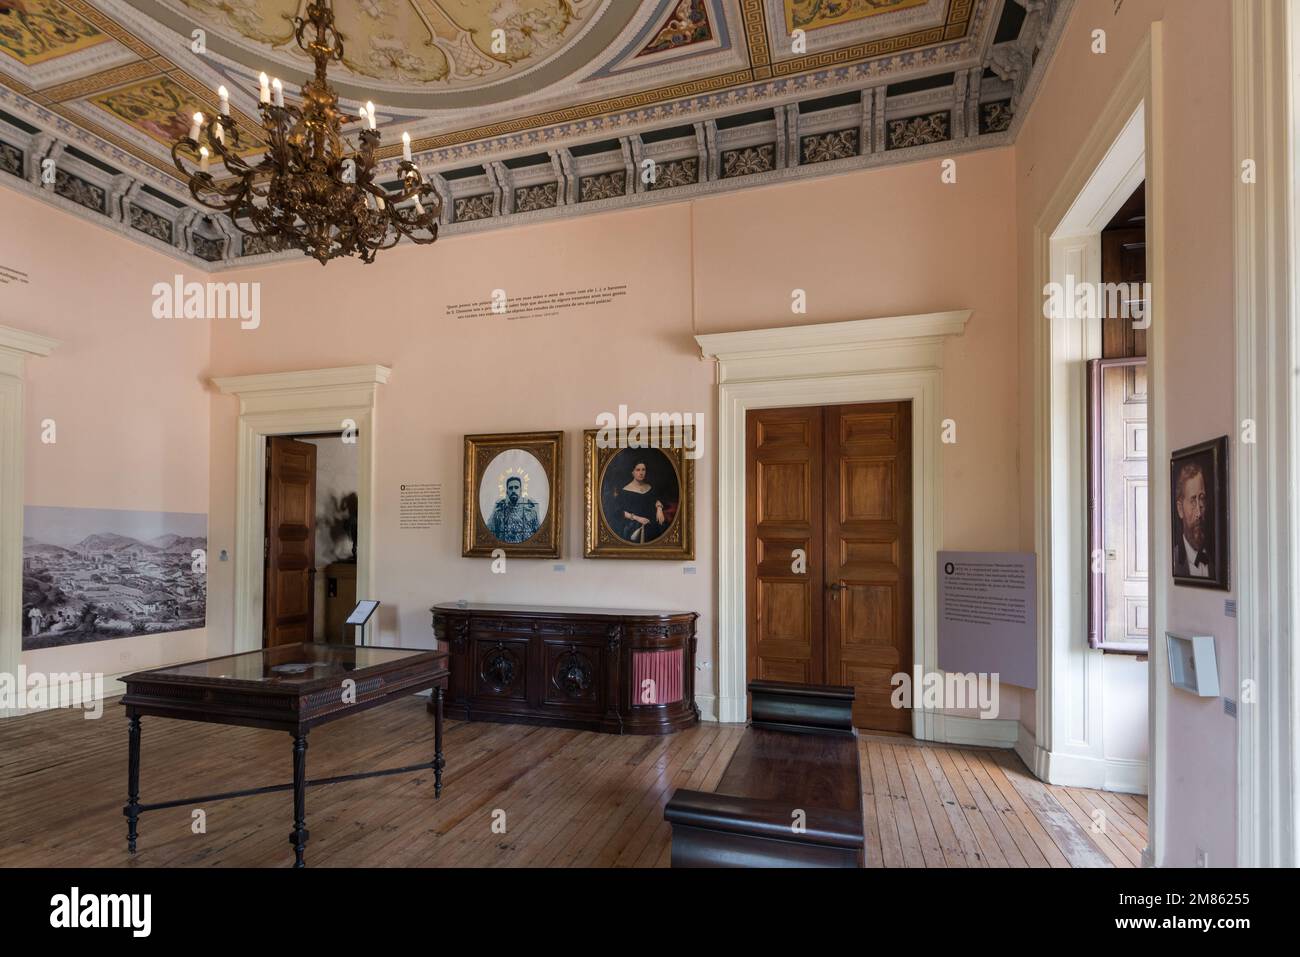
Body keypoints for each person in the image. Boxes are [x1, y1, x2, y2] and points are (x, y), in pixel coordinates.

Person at [1172, 461, 1213, 579]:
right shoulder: (1174, 559)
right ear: (1180, 509)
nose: (1199, 513)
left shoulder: (1215, 560)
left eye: (1202, 499)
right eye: (1193, 501)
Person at [612, 461, 668, 543]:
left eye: (643, 470)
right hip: (635, 526)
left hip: (653, 522)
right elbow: (618, 512)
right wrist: (637, 518)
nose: (641, 473)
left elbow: (656, 499)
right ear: (632, 472)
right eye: (638, 470)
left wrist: (659, 508)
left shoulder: (649, 486)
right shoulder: (625, 491)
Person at [489, 475, 540, 543]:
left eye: (516, 487)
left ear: (520, 490)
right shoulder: (499, 512)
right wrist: (494, 512)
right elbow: (492, 534)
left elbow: (537, 536)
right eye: (510, 488)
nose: (513, 490)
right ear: (507, 491)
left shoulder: (531, 511)